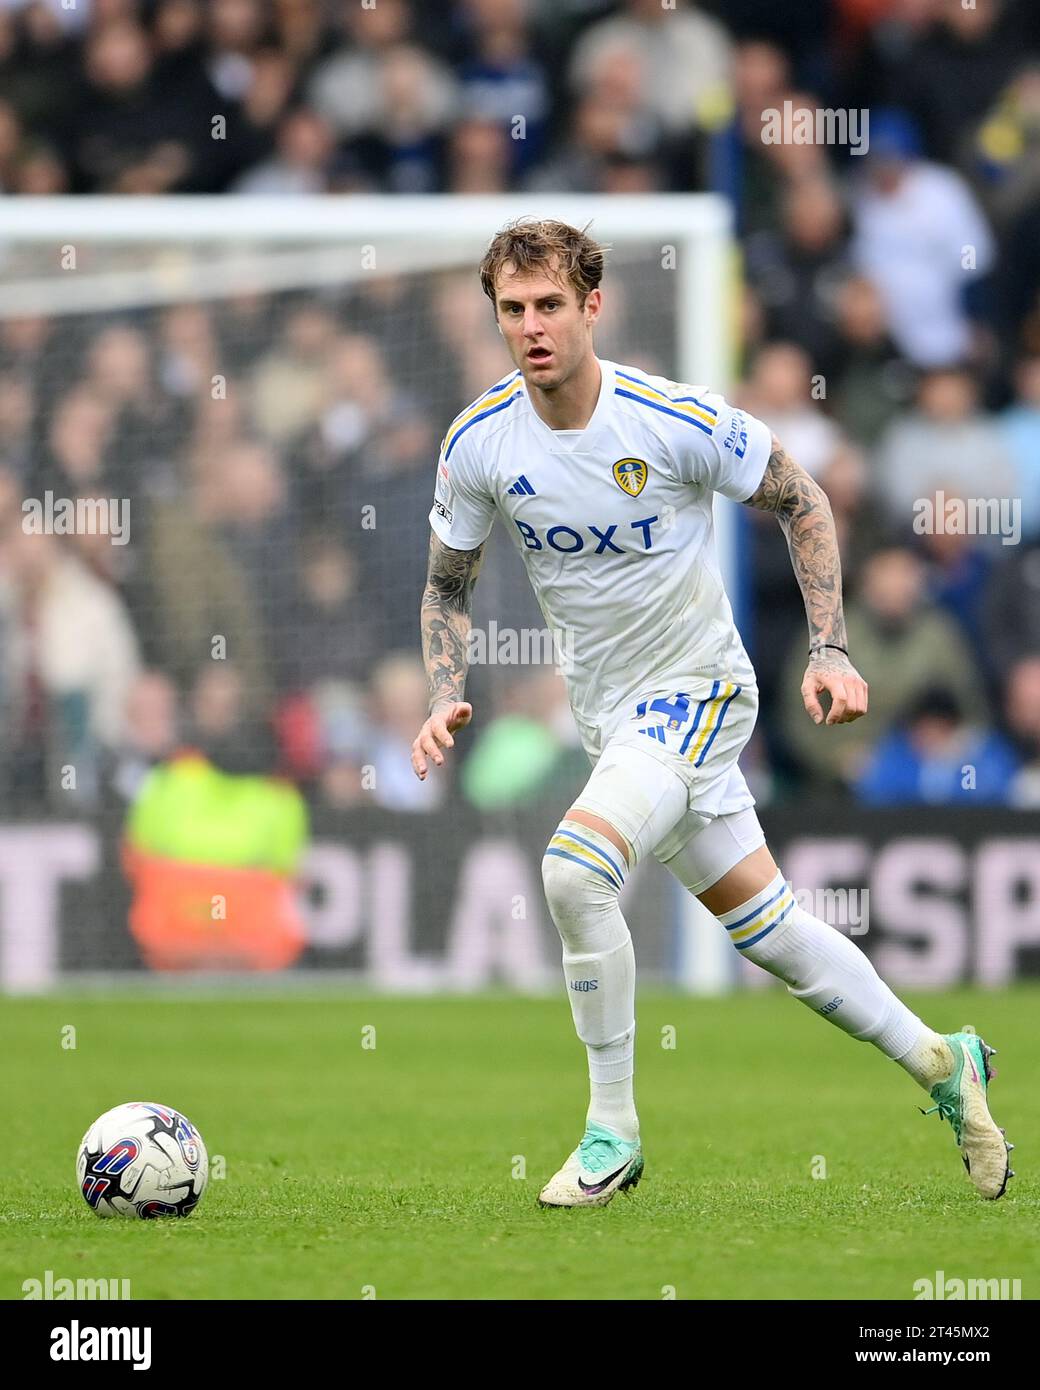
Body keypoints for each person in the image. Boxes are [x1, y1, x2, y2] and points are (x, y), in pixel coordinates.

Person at [410, 219, 1013, 1207]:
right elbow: (446, 585)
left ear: (592, 306)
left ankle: (611, 1130)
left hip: (699, 691)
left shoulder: (668, 419)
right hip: (613, 719)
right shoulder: (479, 442)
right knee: (771, 932)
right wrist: (444, 692)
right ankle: (944, 1060)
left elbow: (801, 498)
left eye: (550, 305)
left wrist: (829, 647)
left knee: (573, 871)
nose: (531, 327)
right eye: (512, 309)